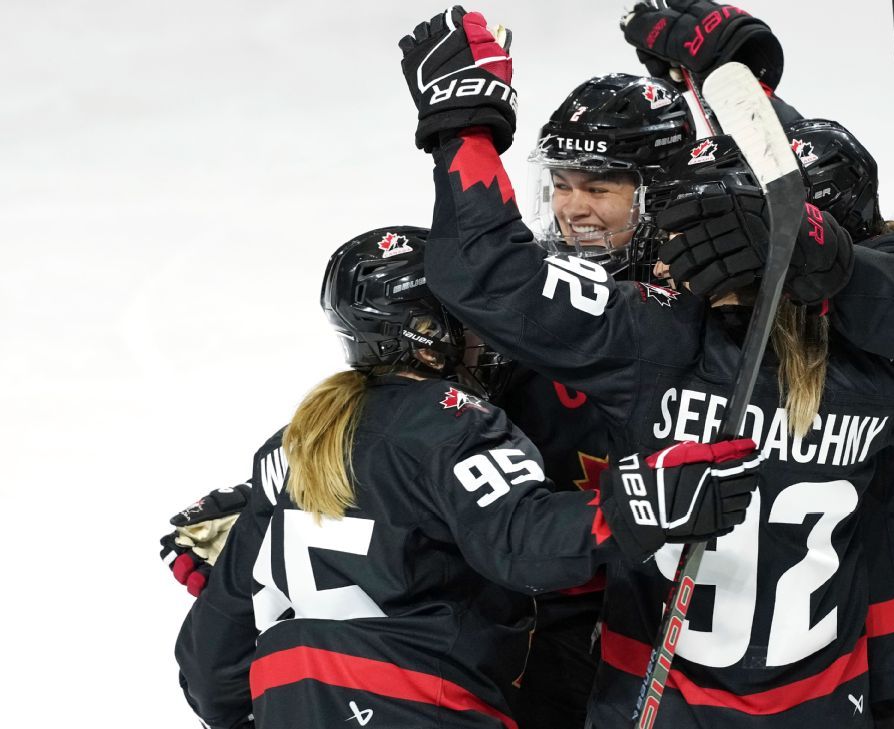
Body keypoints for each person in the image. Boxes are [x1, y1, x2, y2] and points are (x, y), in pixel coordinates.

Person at [397, 8, 894, 725]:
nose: (573, 210)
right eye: (564, 184)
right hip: (823, 704)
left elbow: (486, 273)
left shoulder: (652, 336)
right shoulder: (879, 373)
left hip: (654, 694)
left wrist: (462, 125)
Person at [173, 226, 761, 729]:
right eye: (474, 323)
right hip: (427, 708)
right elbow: (524, 543)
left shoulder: (290, 445)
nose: (494, 340)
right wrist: (644, 500)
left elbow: (211, 669)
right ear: (430, 339)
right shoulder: (451, 420)